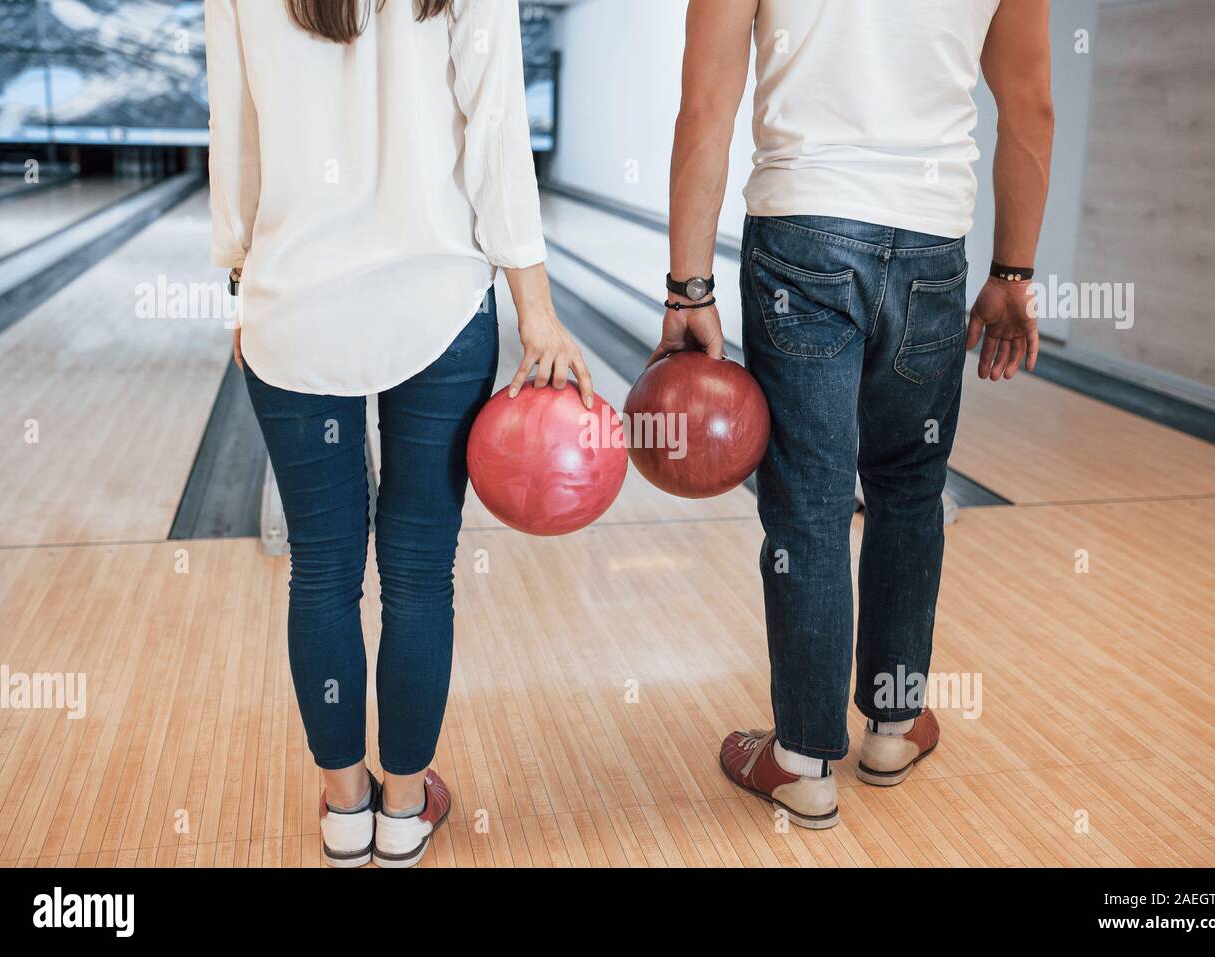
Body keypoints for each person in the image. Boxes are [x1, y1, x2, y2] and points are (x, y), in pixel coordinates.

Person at [204, 0, 593, 867]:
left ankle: (346, 810)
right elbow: (493, 122)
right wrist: (537, 310)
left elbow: (232, 123)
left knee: (324, 569)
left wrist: (243, 275)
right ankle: (406, 809)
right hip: (440, 300)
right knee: (420, 571)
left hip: (297, 307)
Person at [655, 0, 1054, 827]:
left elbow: (706, 105)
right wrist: (1013, 270)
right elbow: (1031, 102)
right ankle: (895, 724)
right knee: (910, 486)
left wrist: (688, 287)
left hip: (803, 234)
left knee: (809, 501)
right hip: (932, 246)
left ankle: (802, 760)